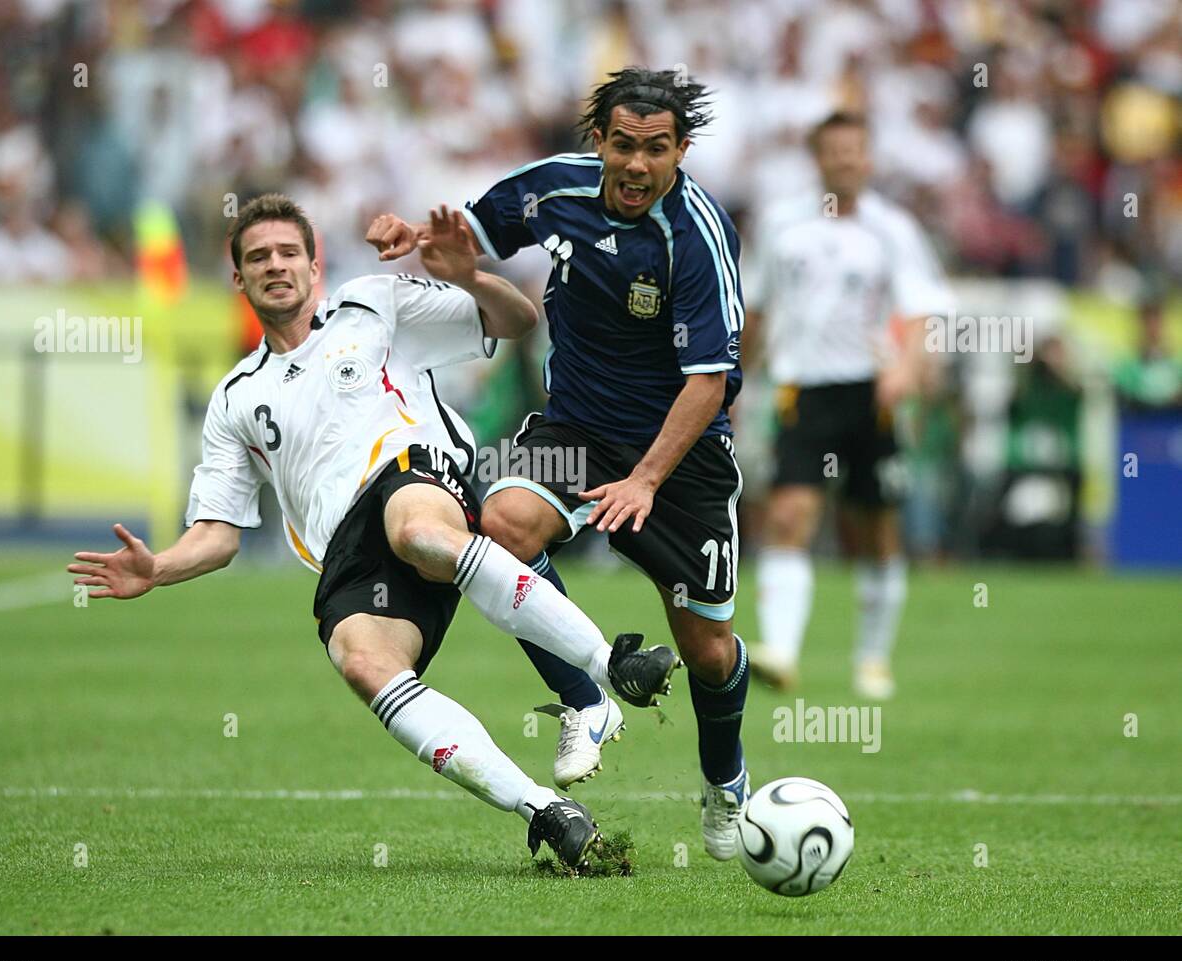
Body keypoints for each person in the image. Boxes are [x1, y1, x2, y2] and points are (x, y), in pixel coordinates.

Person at [68, 193, 678, 869]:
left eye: (287, 253)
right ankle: (546, 811)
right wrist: (158, 570)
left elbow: (516, 318)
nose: (275, 265)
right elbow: (219, 532)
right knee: (362, 662)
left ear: (313, 263)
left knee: (416, 528)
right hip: (348, 553)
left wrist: (470, 276)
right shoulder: (236, 397)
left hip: (415, 476)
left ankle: (610, 662)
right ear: (238, 279)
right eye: (258, 257)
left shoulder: (372, 303)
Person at [367, 68, 752, 863]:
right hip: (574, 429)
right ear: (599, 142)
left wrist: (646, 478)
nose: (636, 164)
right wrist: (426, 246)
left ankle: (726, 782)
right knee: (498, 526)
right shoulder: (555, 190)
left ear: (681, 149)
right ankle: (586, 698)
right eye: (622, 145)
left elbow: (708, 380)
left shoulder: (699, 236)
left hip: (678, 454)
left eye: (655, 149)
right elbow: (469, 233)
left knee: (708, 651)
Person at [741, 111, 953, 700]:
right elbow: (755, 311)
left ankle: (873, 659)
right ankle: (780, 651)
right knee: (788, 516)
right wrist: (735, 383)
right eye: (835, 151)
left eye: (855, 151)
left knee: (876, 528)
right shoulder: (782, 225)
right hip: (802, 391)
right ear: (817, 158)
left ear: (869, 158)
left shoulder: (893, 228)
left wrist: (908, 369)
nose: (846, 161)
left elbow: (921, 310)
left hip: (870, 393)